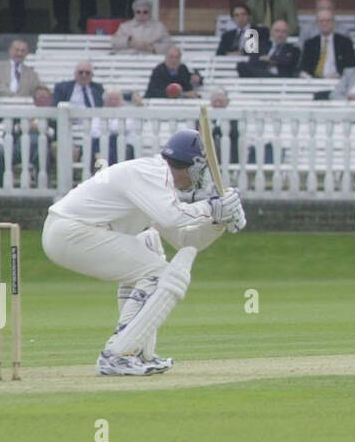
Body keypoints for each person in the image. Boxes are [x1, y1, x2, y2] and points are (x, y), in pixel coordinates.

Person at [41, 128, 246, 375]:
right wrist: (212, 208)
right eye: (201, 170)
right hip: (70, 232)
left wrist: (218, 222)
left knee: (150, 247)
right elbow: (172, 217)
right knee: (158, 272)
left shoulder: (157, 186)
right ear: (194, 165)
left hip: (74, 233)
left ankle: (135, 352)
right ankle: (117, 355)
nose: (201, 177)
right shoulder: (151, 172)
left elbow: (186, 240)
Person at [301, 8, 355, 79]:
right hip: (315, 82)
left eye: (327, 21)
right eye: (321, 21)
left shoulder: (345, 43)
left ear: (333, 23)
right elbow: (304, 66)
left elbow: (351, 66)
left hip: (338, 81)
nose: (324, 24)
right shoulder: (310, 44)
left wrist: (339, 74)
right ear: (317, 24)